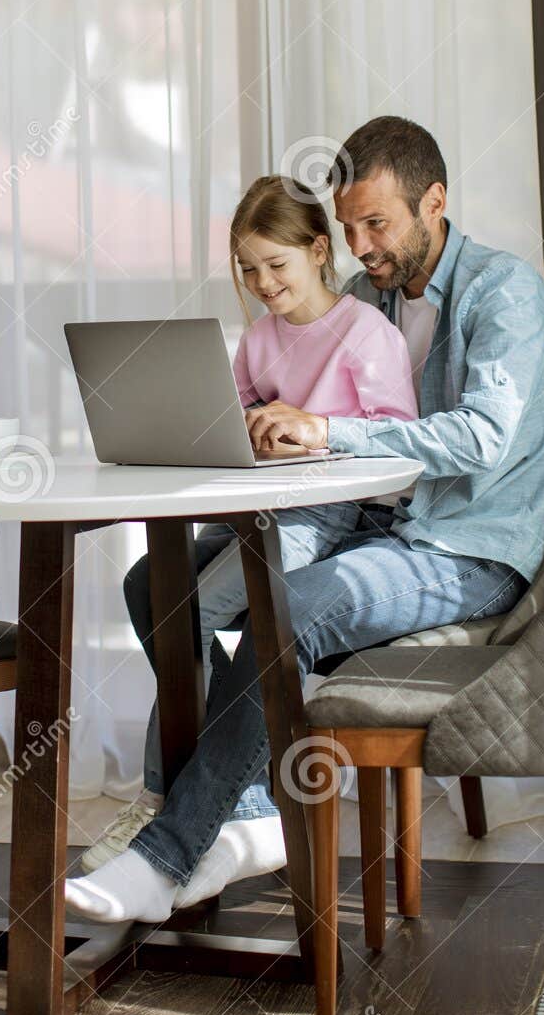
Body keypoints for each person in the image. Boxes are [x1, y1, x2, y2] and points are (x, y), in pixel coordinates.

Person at [66, 117, 544, 926]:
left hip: (469, 549)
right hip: (380, 531)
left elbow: (482, 438)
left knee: (285, 609)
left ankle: (167, 853)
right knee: (154, 584)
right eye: (348, 227)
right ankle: (247, 811)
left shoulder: (500, 292)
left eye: (378, 223)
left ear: (433, 202)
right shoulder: (370, 297)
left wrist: (326, 430)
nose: (361, 245)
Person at [74, 173, 416, 886]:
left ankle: (163, 796)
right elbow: (223, 418)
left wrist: (313, 436)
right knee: (147, 583)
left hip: (330, 515)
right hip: (256, 509)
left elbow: (400, 442)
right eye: (249, 269)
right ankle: (234, 792)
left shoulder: (364, 333)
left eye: (276, 265)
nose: (262, 282)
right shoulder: (260, 340)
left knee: (195, 612)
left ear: (319, 251)